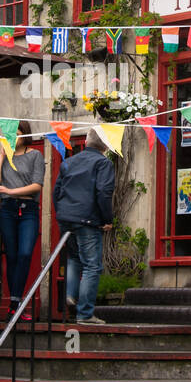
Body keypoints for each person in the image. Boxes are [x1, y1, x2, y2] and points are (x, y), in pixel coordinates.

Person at [53, 132, 116, 325]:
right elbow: (103, 192)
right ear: (105, 146)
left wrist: (62, 214)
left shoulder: (68, 162)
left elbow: (57, 192)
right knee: (91, 265)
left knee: (73, 258)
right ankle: (85, 314)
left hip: (66, 218)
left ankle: (70, 296)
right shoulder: (103, 163)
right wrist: (107, 219)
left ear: (87, 142)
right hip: (87, 219)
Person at [0, 120, 45, 321]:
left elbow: (37, 185)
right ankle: (15, 305)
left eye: (16, 134)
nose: (12, 138)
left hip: (27, 209)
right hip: (7, 210)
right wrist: (1, 155)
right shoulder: (6, 157)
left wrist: (11, 191)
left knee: (24, 254)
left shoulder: (35, 155)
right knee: (11, 256)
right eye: (9, 135)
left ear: (25, 135)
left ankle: (16, 302)